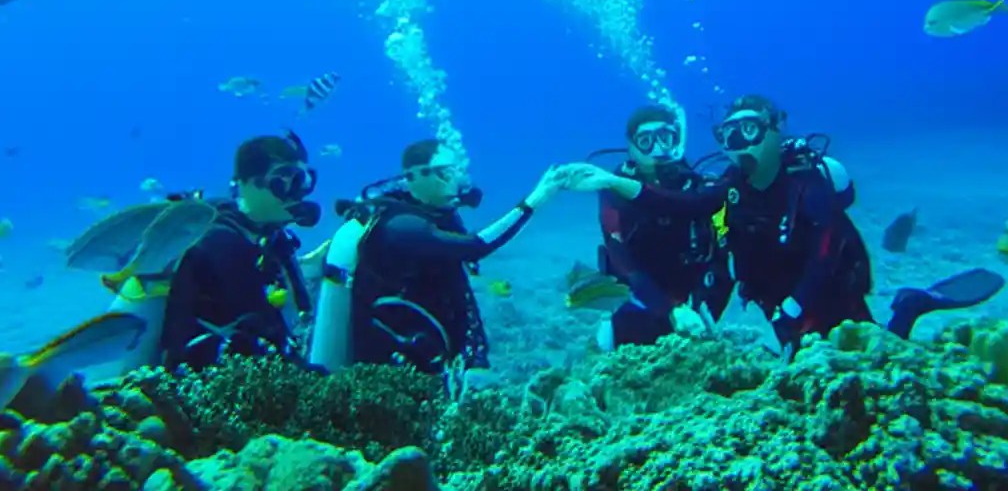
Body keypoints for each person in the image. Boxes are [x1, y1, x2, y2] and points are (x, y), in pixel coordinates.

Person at [569, 94, 1003, 354]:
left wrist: (794, 306)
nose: (740, 144)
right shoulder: (729, 183)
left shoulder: (805, 179)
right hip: (771, 296)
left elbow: (825, 250)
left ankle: (908, 307)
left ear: (776, 129)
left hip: (824, 287)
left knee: (870, 358)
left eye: (751, 130)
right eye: (730, 134)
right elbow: (694, 210)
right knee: (805, 369)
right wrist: (615, 184)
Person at [309, 139, 568, 374]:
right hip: (395, 365)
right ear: (413, 177)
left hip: (430, 352)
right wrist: (536, 199)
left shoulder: (439, 216)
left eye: (455, 171)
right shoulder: (400, 226)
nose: (455, 180)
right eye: (445, 173)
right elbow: (476, 247)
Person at [157, 131, 321, 372]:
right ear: (246, 184)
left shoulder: (274, 241)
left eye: (304, 180)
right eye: (284, 179)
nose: (298, 192)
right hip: (208, 383)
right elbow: (262, 332)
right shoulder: (219, 244)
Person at [590, 104, 733, 350]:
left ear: (677, 140)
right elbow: (621, 259)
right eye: (645, 140)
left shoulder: (699, 187)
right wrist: (669, 309)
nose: (657, 149)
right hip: (637, 294)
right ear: (631, 146)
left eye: (665, 138)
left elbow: (722, 255)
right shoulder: (614, 191)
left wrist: (704, 307)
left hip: (692, 297)